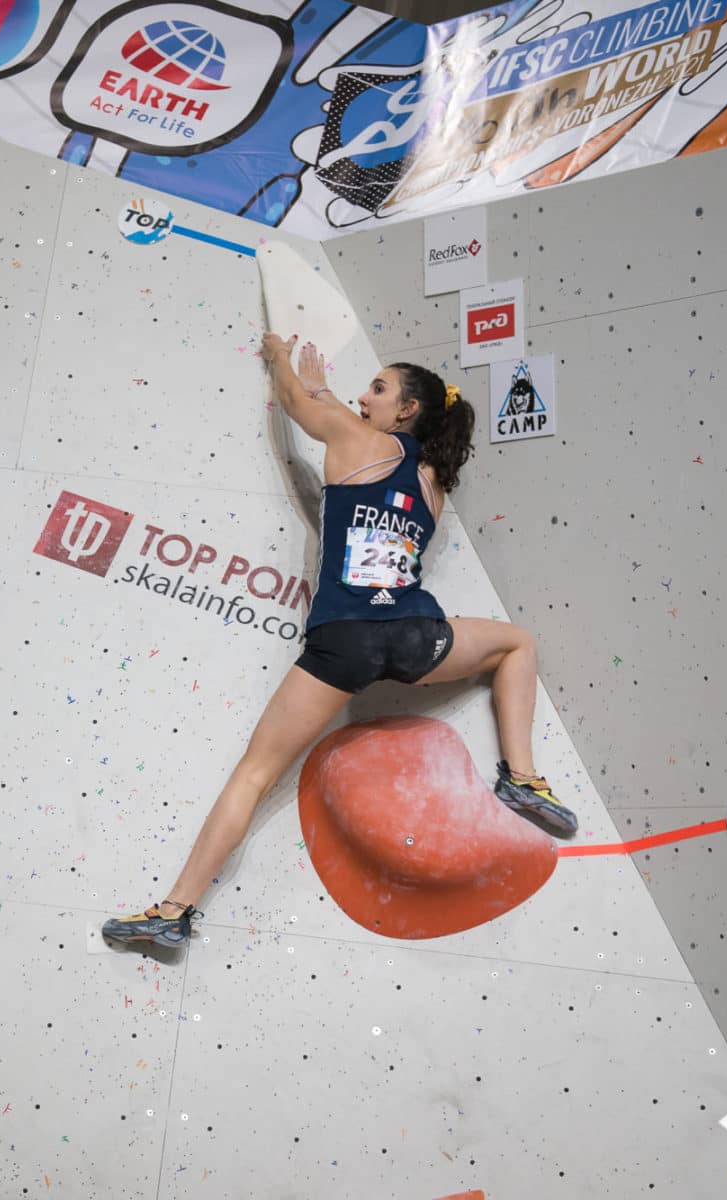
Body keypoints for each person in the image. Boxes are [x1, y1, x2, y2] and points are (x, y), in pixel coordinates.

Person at [103, 332, 577, 949]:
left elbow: (296, 409)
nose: (363, 397)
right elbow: (366, 467)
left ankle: (174, 911)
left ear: (407, 409)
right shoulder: (432, 481)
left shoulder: (360, 442)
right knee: (517, 643)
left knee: (254, 774)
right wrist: (330, 397)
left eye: (378, 389)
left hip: (346, 640)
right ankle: (523, 777)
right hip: (415, 637)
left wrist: (279, 359)